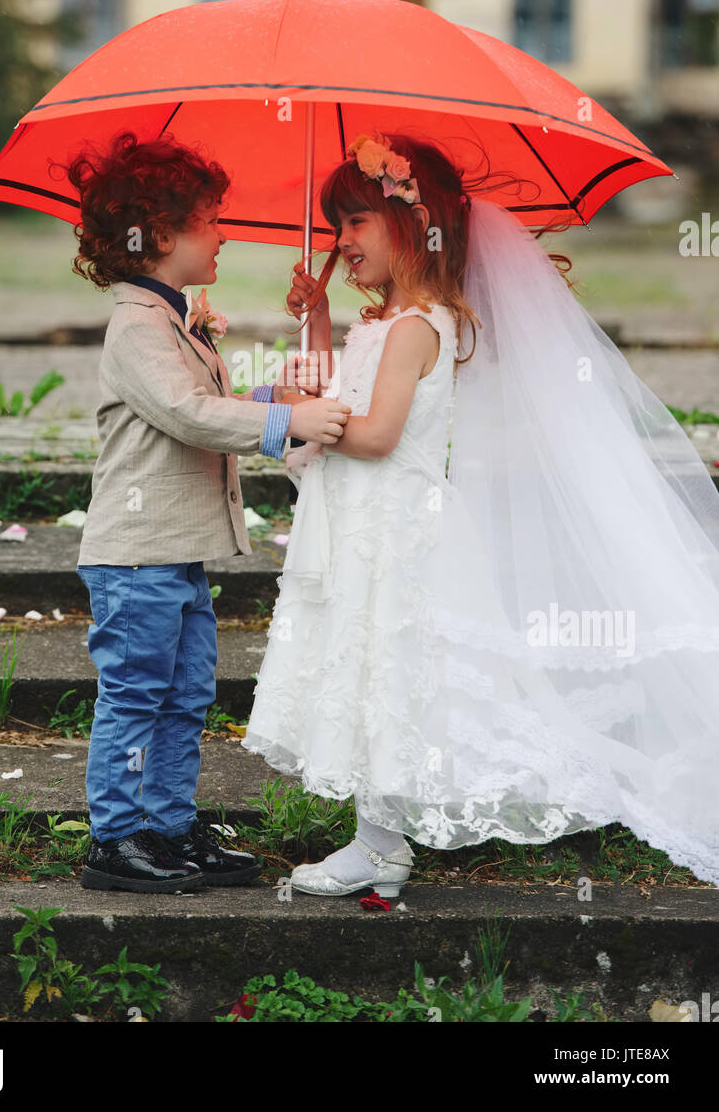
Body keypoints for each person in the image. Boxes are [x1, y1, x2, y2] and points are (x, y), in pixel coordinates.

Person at [241, 129, 719, 898]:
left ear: (411, 224)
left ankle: (382, 843)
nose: (341, 240)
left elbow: (371, 433)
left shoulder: (415, 326)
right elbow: (347, 397)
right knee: (370, 675)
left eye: (356, 221)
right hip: (363, 524)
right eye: (336, 226)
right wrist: (321, 324)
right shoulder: (386, 322)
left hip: (393, 528)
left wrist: (298, 408)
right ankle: (378, 843)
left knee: (391, 675)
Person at [68, 131, 351, 893]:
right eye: (212, 219)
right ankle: (115, 838)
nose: (224, 232)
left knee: (186, 691)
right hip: (135, 555)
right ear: (159, 234)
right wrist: (282, 425)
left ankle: (166, 825)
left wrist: (271, 399)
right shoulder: (135, 324)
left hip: (175, 552)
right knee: (134, 694)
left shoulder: (171, 316)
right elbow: (185, 412)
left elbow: (207, 405)